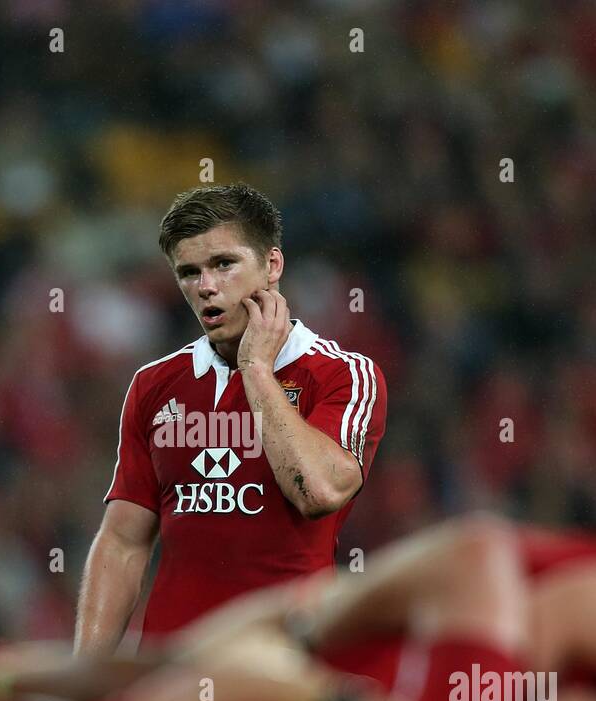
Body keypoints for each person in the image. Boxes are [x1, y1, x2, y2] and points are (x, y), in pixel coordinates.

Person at [75, 183, 387, 656]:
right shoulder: (153, 385)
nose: (206, 286)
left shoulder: (342, 374)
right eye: (189, 272)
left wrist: (256, 369)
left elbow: (319, 491)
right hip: (169, 667)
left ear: (272, 266)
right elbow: (123, 542)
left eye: (224, 264)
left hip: (282, 665)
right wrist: (87, 673)